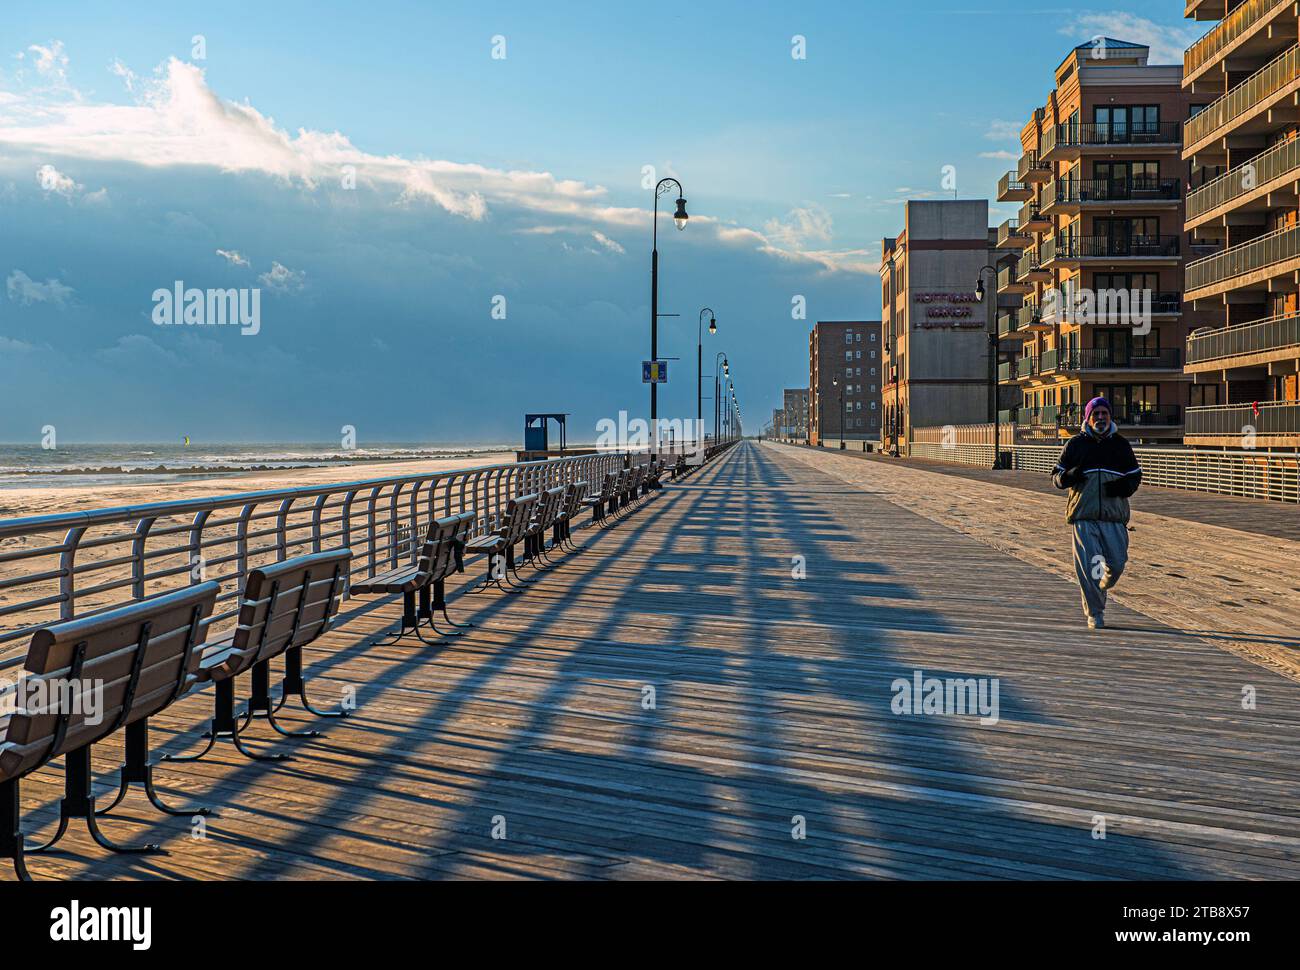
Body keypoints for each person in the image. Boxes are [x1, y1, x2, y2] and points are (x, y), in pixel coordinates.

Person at [1051, 397, 1142, 629]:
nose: (1100, 418)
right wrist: (1070, 476)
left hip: (1114, 516)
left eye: (1104, 413)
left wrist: (1124, 487)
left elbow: (1135, 475)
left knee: (1117, 563)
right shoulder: (1075, 445)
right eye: (1096, 414)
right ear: (1088, 418)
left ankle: (1103, 586)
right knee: (1090, 567)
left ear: (1110, 417)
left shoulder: (1121, 445)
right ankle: (1095, 613)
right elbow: (1056, 477)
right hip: (1084, 515)